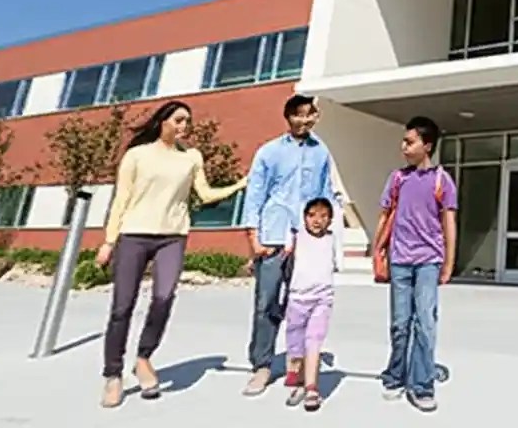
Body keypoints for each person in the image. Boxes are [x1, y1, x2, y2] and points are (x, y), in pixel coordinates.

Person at [97, 100, 247, 408]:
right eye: (179, 120)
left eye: (187, 122)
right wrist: (109, 242)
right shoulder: (136, 155)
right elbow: (120, 200)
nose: (184, 126)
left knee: (164, 298)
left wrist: (240, 184)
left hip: (172, 237)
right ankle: (113, 375)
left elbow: (204, 194)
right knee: (122, 307)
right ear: (163, 121)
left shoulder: (191, 157)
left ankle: (143, 359)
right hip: (133, 235)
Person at [241, 94, 336, 397]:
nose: (304, 120)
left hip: (307, 240)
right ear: (288, 117)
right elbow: (255, 194)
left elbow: (324, 196)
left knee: (302, 306)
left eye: (309, 115)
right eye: (298, 115)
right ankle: (262, 365)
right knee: (266, 302)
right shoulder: (269, 151)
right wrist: (253, 237)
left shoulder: (321, 152)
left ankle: (296, 365)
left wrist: (325, 238)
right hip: (273, 237)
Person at [374, 115, 458, 413]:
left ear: (427, 146)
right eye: (404, 141)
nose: (404, 147)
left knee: (424, 323)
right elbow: (385, 217)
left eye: (410, 142)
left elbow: (449, 224)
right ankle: (395, 375)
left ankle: (422, 385)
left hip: (428, 262)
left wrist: (448, 263)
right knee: (399, 324)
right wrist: (378, 252)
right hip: (399, 261)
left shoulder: (441, 180)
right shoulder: (397, 179)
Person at [281, 197, 339, 411]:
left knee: (314, 340)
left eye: (324, 216)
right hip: (297, 299)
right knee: (295, 347)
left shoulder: (332, 238)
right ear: (304, 218)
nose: (317, 220)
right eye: (312, 215)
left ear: (331, 220)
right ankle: (297, 381)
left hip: (322, 299)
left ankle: (312, 386)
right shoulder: (297, 236)